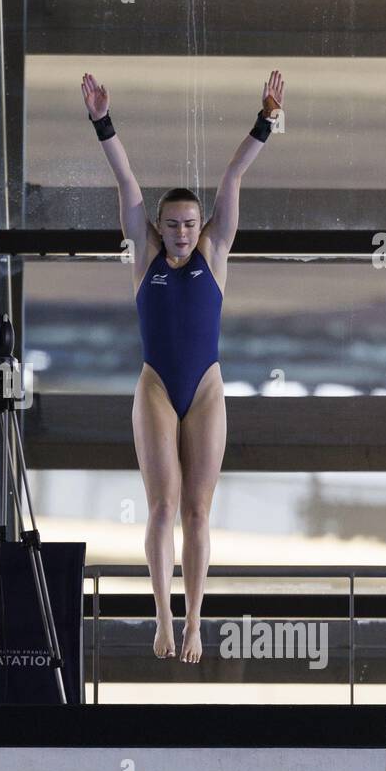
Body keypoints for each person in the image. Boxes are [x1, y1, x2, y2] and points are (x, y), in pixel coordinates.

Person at [82, 69, 285, 663]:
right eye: (171, 225)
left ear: (202, 228)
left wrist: (265, 121)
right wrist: (102, 120)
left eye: (189, 225)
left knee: (197, 511)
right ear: (159, 227)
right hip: (155, 387)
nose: (179, 233)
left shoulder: (215, 252)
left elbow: (233, 175)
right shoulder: (144, 252)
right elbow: (125, 179)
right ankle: (164, 616)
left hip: (206, 391)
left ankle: (196, 620)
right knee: (163, 507)